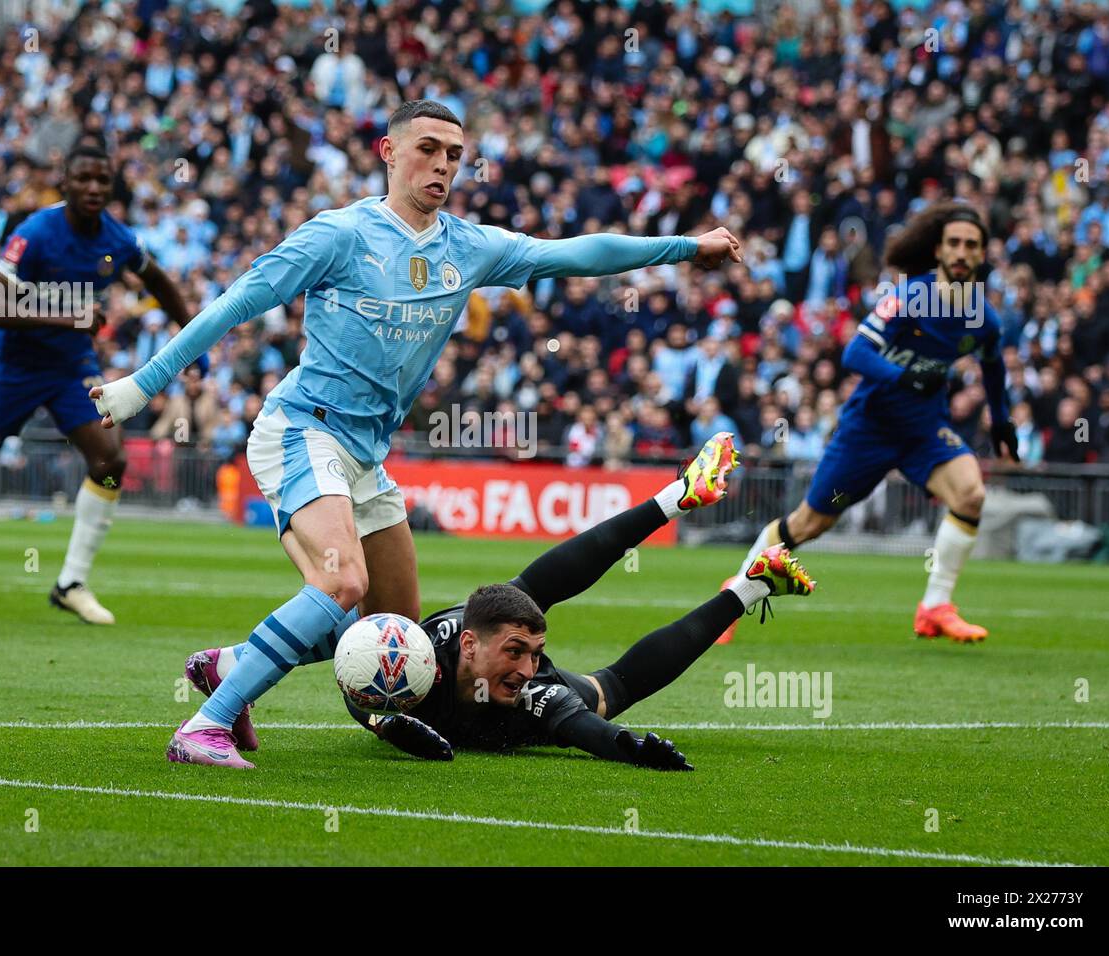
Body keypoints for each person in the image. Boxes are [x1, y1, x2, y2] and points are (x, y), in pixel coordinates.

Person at [89, 100, 744, 765]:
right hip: (302, 429)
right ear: (388, 152)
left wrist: (689, 247)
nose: (441, 165)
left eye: (454, 155)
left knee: (403, 639)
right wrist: (144, 383)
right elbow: (238, 301)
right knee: (341, 584)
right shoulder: (339, 235)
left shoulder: (469, 247)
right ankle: (204, 725)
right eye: (428, 148)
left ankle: (231, 663)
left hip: (366, 458)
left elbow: (577, 254)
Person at [178, 433, 811, 770]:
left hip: (487, 675)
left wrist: (629, 748)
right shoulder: (415, 656)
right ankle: (750, 580)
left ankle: (722, 555)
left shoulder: (530, 686)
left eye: (534, 655)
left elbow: (591, 731)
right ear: (467, 647)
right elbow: (359, 688)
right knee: (545, 627)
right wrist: (388, 724)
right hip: (464, 655)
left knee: (599, 688)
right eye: (519, 654)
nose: (531, 669)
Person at [0, 142, 191, 624]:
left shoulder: (117, 238)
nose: (94, 188)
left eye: (103, 180)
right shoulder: (33, 233)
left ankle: (71, 582)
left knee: (110, 461)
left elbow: (155, 279)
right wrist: (70, 316)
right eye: (84, 179)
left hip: (70, 369)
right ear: (67, 183)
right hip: (11, 369)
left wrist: (191, 334)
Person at [731, 203, 1019, 644]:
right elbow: (855, 354)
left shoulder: (984, 317)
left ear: (982, 255)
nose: (962, 252)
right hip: (869, 430)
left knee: (971, 493)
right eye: (955, 243)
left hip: (924, 431)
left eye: (972, 245)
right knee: (808, 525)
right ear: (939, 250)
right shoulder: (908, 297)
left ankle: (935, 607)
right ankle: (734, 597)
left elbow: (994, 366)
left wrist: (1001, 421)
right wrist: (906, 375)